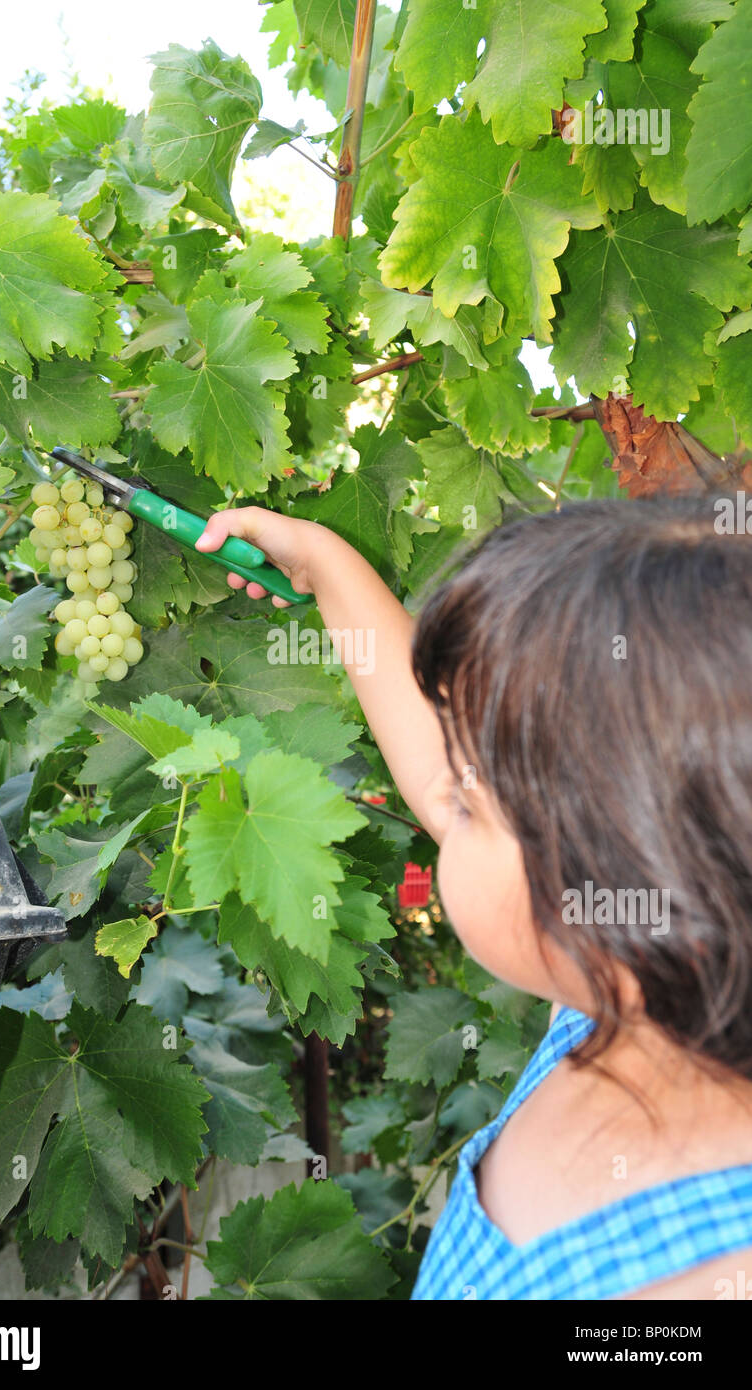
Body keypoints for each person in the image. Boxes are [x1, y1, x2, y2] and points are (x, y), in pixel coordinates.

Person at [194, 494, 752, 1300]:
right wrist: (324, 566)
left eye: (468, 801)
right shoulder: (619, 1001)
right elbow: (436, 762)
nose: (440, 795)